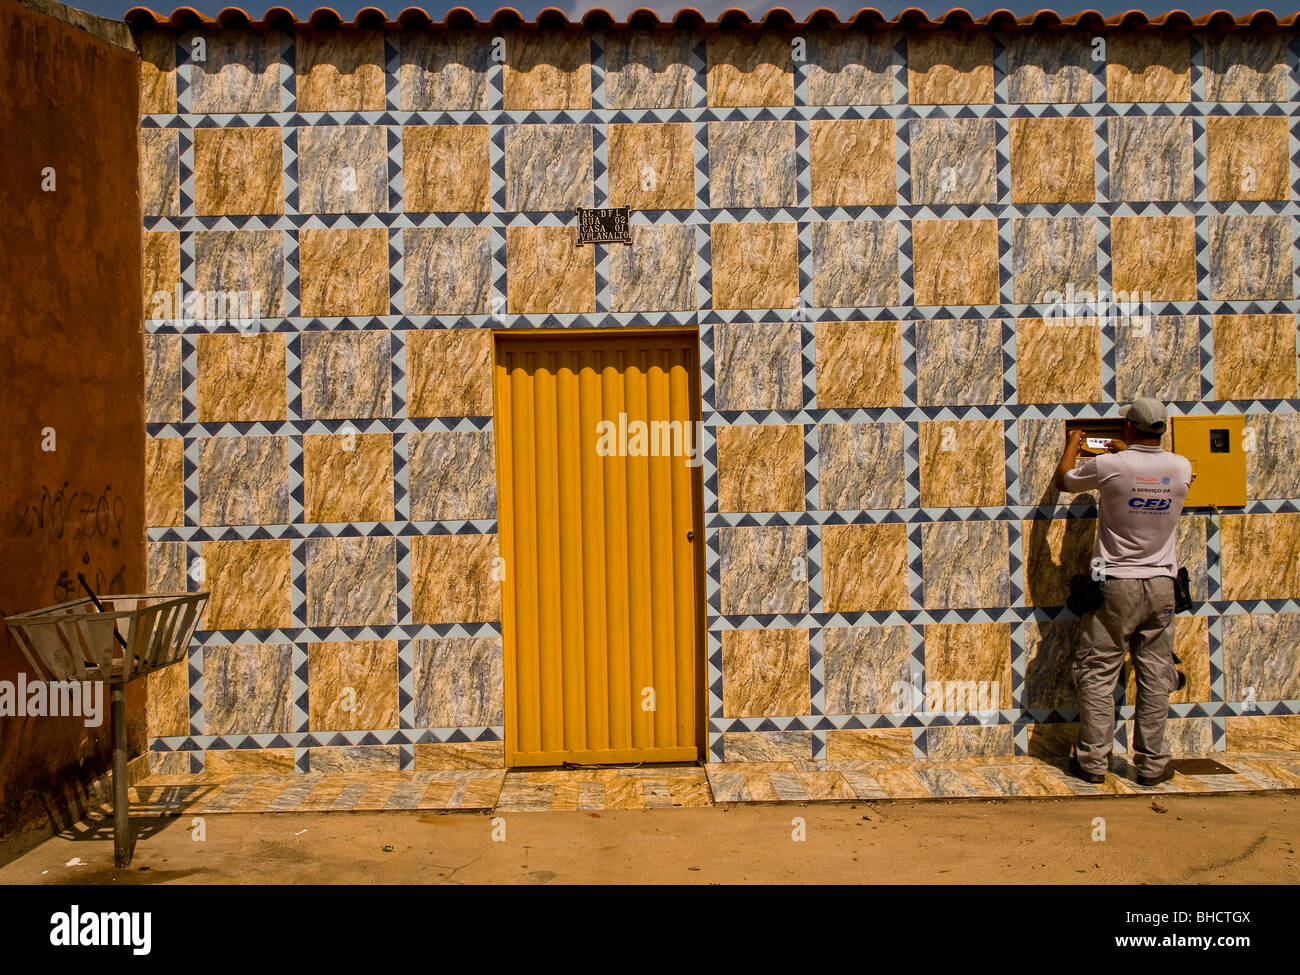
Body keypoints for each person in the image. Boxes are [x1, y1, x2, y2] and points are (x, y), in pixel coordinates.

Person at [1052, 397, 1192, 786]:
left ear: (1128, 428)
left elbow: (1064, 481)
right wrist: (1127, 453)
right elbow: (1145, 473)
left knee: (1098, 672)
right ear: (1161, 429)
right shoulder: (1181, 466)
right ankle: (1151, 765)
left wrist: (1073, 444)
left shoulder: (1110, 465)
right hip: (1164, 587)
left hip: (1117, 585)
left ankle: (1093, 763)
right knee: (1155, 673)